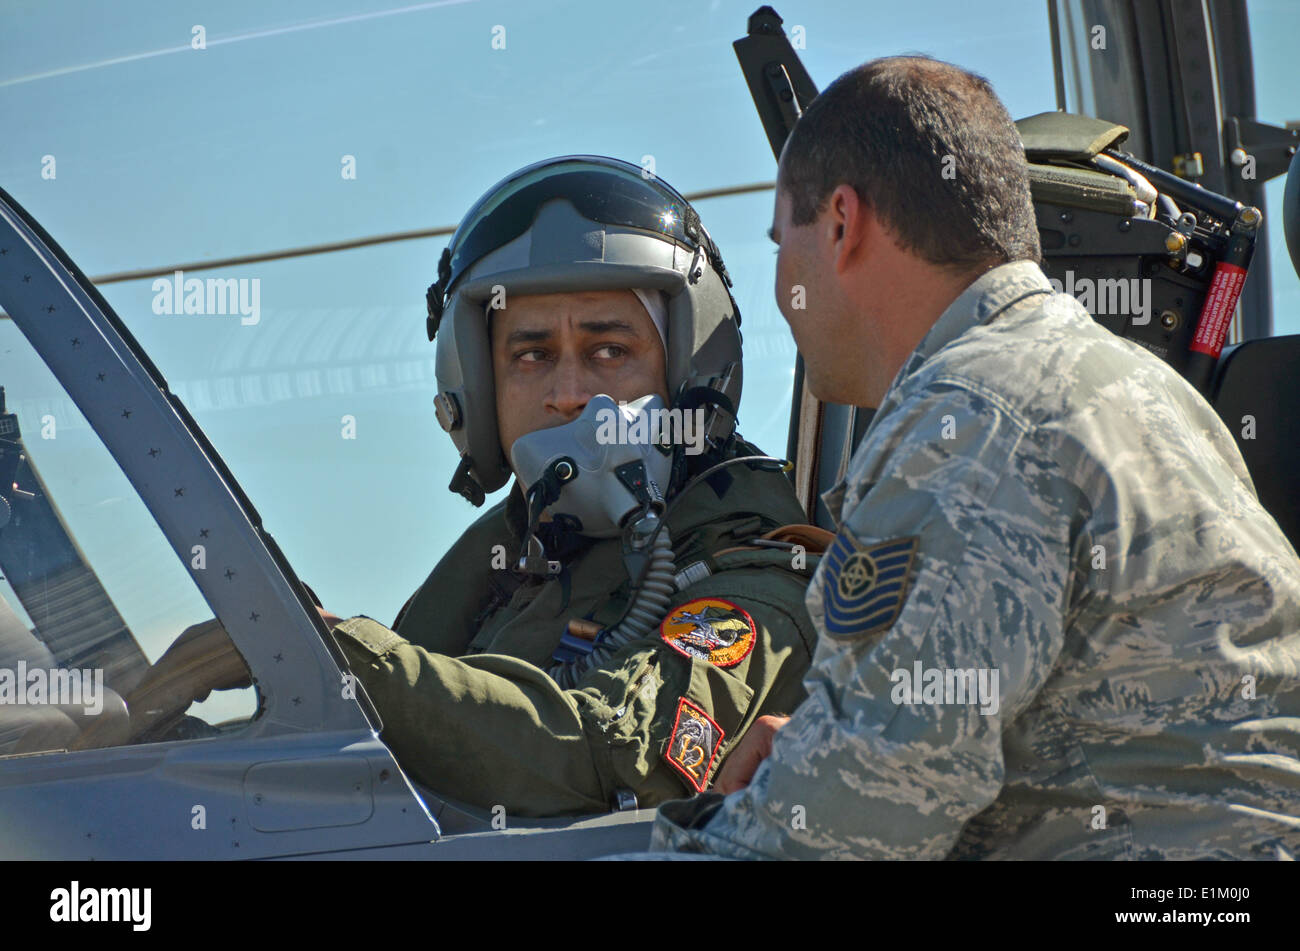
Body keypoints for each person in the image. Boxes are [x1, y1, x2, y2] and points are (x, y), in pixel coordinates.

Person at [647, 56, 1300, 859]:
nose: (782, 284)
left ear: (843, 224)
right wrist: (822, 741)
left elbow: (868, 810)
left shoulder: (968, 420)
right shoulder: (1141, 390)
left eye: (785, 241)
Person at [312, 157, 820, 818]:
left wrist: (342, 651)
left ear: (691, 375)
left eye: (609, 350)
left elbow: (601, 758)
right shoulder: (503, 577)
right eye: (533, 355)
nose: (571, 395)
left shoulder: (757, 585)